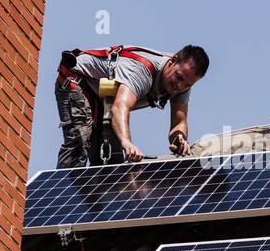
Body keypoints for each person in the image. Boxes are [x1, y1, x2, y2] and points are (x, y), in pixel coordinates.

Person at [54, 44, 209, 168]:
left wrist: (179, 138)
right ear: (173, 60)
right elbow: (120, 106)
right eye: (179, 77)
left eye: (187, 84)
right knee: (79, 141)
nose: (179, 85)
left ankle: (97, 205)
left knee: (112, 162)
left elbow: (179, 123)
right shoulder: (142, 70)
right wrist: (126, 141)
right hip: (78, 80)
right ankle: (58, 199)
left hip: (104, 99)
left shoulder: (182, 85)